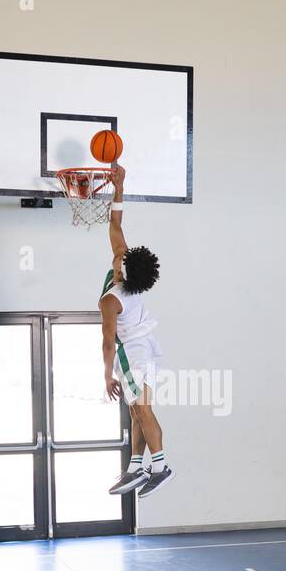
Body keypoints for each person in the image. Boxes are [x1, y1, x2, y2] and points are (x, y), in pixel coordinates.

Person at [99, 165, 174, 498]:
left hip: (132, 350)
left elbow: (107, 342)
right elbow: (115, 223)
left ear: (124, 271)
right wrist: (119, 186)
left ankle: (159, 468)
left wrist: (106, 375)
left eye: (121, 261)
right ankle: (135, 468)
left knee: (142, 409)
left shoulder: (111, 300)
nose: (118, 258)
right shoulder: (123, 269)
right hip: (144, 346)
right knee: (136, 408)